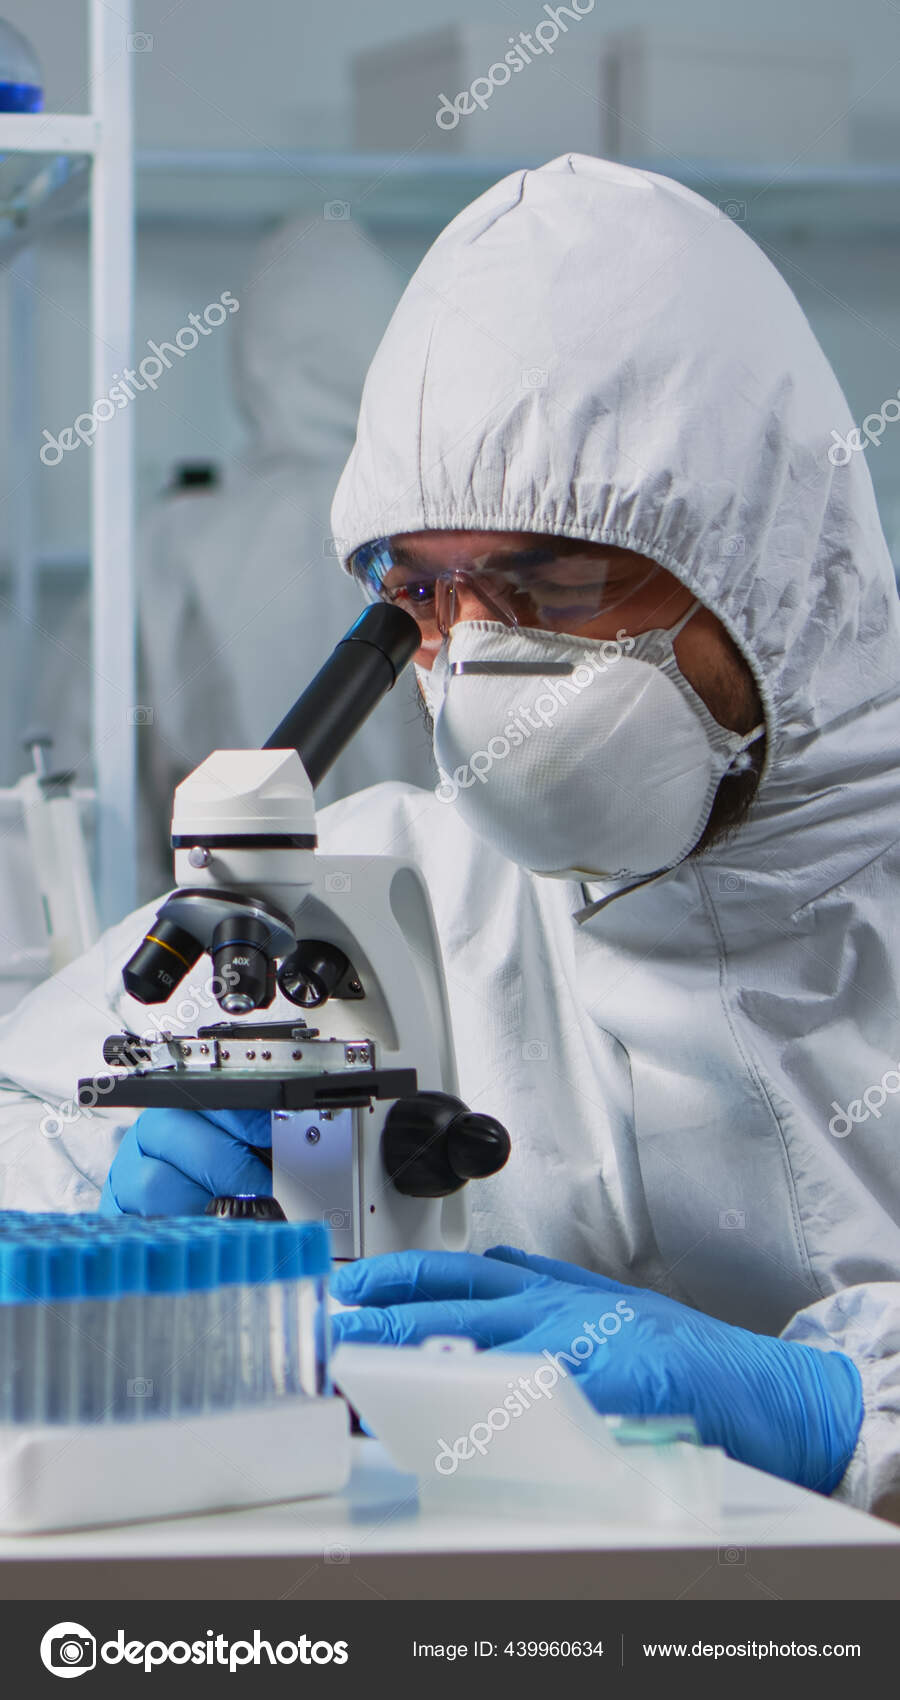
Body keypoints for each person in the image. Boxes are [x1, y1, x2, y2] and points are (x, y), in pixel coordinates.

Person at [0, 153, 898, 1514]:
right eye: (419, 595)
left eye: (554, 582)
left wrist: (849, 1420)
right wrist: (110, 1246)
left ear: (762, 559)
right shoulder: (389, 892)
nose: (475, 663)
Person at [27, 213, 437, 896]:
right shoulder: (435, 531)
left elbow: (86, 795)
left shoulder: (173, 543)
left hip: (226, 953)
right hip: (426, 938)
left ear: (250, 358)